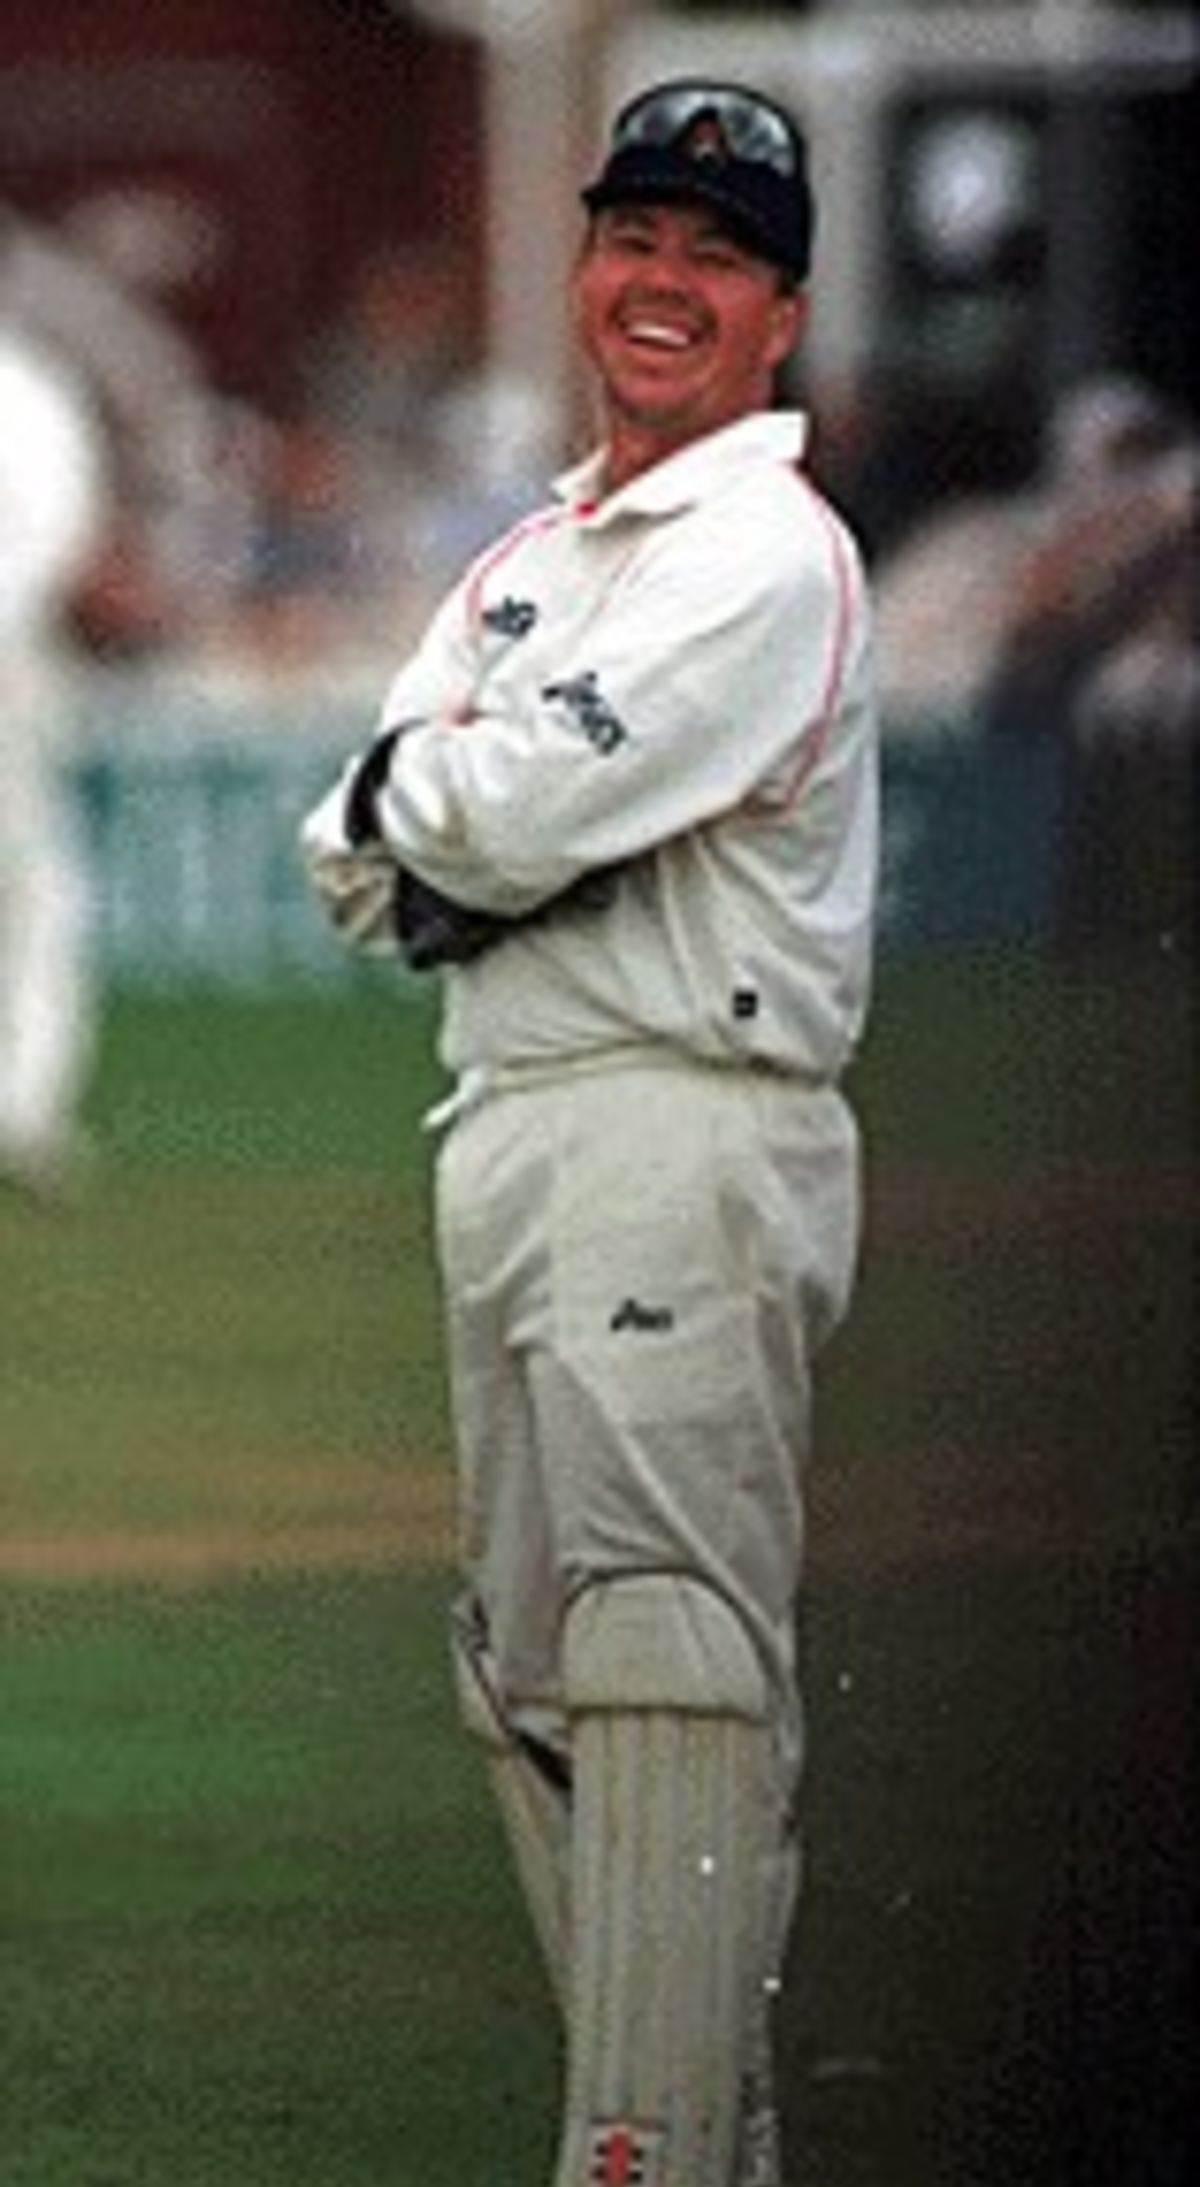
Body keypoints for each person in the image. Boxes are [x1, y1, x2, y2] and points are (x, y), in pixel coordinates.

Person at [302, 78, 878, 2187]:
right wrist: (451, 808)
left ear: (779, 319)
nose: (663, 284)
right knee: (529, 1664)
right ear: (583, 270)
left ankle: (638, 2152)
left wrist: (463, 807)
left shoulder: (766, 554)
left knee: (667, 1644)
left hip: (687, 1117)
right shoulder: (545, 560)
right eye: (636, 240)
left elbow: (496, 807)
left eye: (717, 257)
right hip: (516, 1110)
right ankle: (700, 2137)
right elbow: (354, 840)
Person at [0, 322, 109, 1196]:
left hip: (13, 660)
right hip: (11, 659)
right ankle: (25, 1110)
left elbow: (58, 537)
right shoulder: (30, 393)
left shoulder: (31, 393)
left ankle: (26, 1109)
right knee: (35, 889)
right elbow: (58, 534)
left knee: (34, 887)